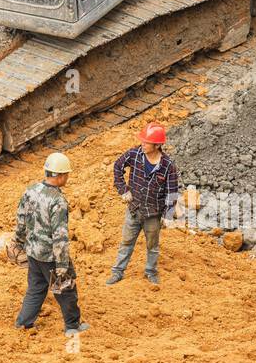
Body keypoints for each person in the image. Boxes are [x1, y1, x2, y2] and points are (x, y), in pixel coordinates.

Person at [13, 152, 89, 335]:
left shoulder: (30, 190)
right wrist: (62, 265)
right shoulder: (58, 201)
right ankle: (72, 326)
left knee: (36, 288)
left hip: (32, 251)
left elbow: (21, 219)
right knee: (65, 291)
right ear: (61, 175)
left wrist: (18, 241)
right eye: (67, 174)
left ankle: (24, 323)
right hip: (50, 256)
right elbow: (60, 236)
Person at [106, 122, 179, 286]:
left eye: (146, 142)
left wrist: (168, 215)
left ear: (157, 145)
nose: (143, 144)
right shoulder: (134, 154)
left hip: (153, 213)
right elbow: (118, 166)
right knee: (126, 242)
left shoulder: (168, 166)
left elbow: (172, 191)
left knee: (152, 245)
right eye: (143, 141)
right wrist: (123, 189)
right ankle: (117, 272)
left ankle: (150, 272)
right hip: (134, 209)